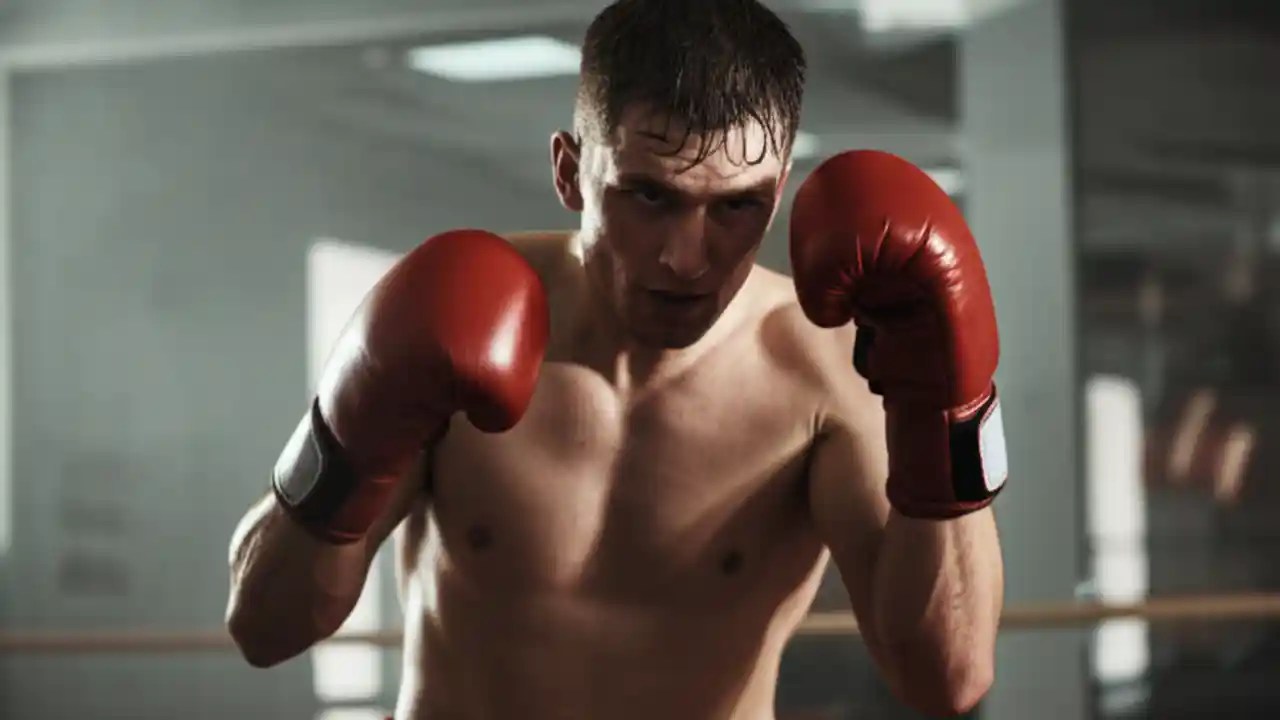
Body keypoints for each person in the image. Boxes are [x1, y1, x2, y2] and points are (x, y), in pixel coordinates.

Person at [225, 1, 1008, 717]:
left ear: (779, 195)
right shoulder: (447, 316)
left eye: (735, 207)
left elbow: (948, 679)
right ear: (570, 170)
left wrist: (949, 414)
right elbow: (265, 626)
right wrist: (349, 430)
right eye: (649, 196)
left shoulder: (826, 371)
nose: (686, 258)